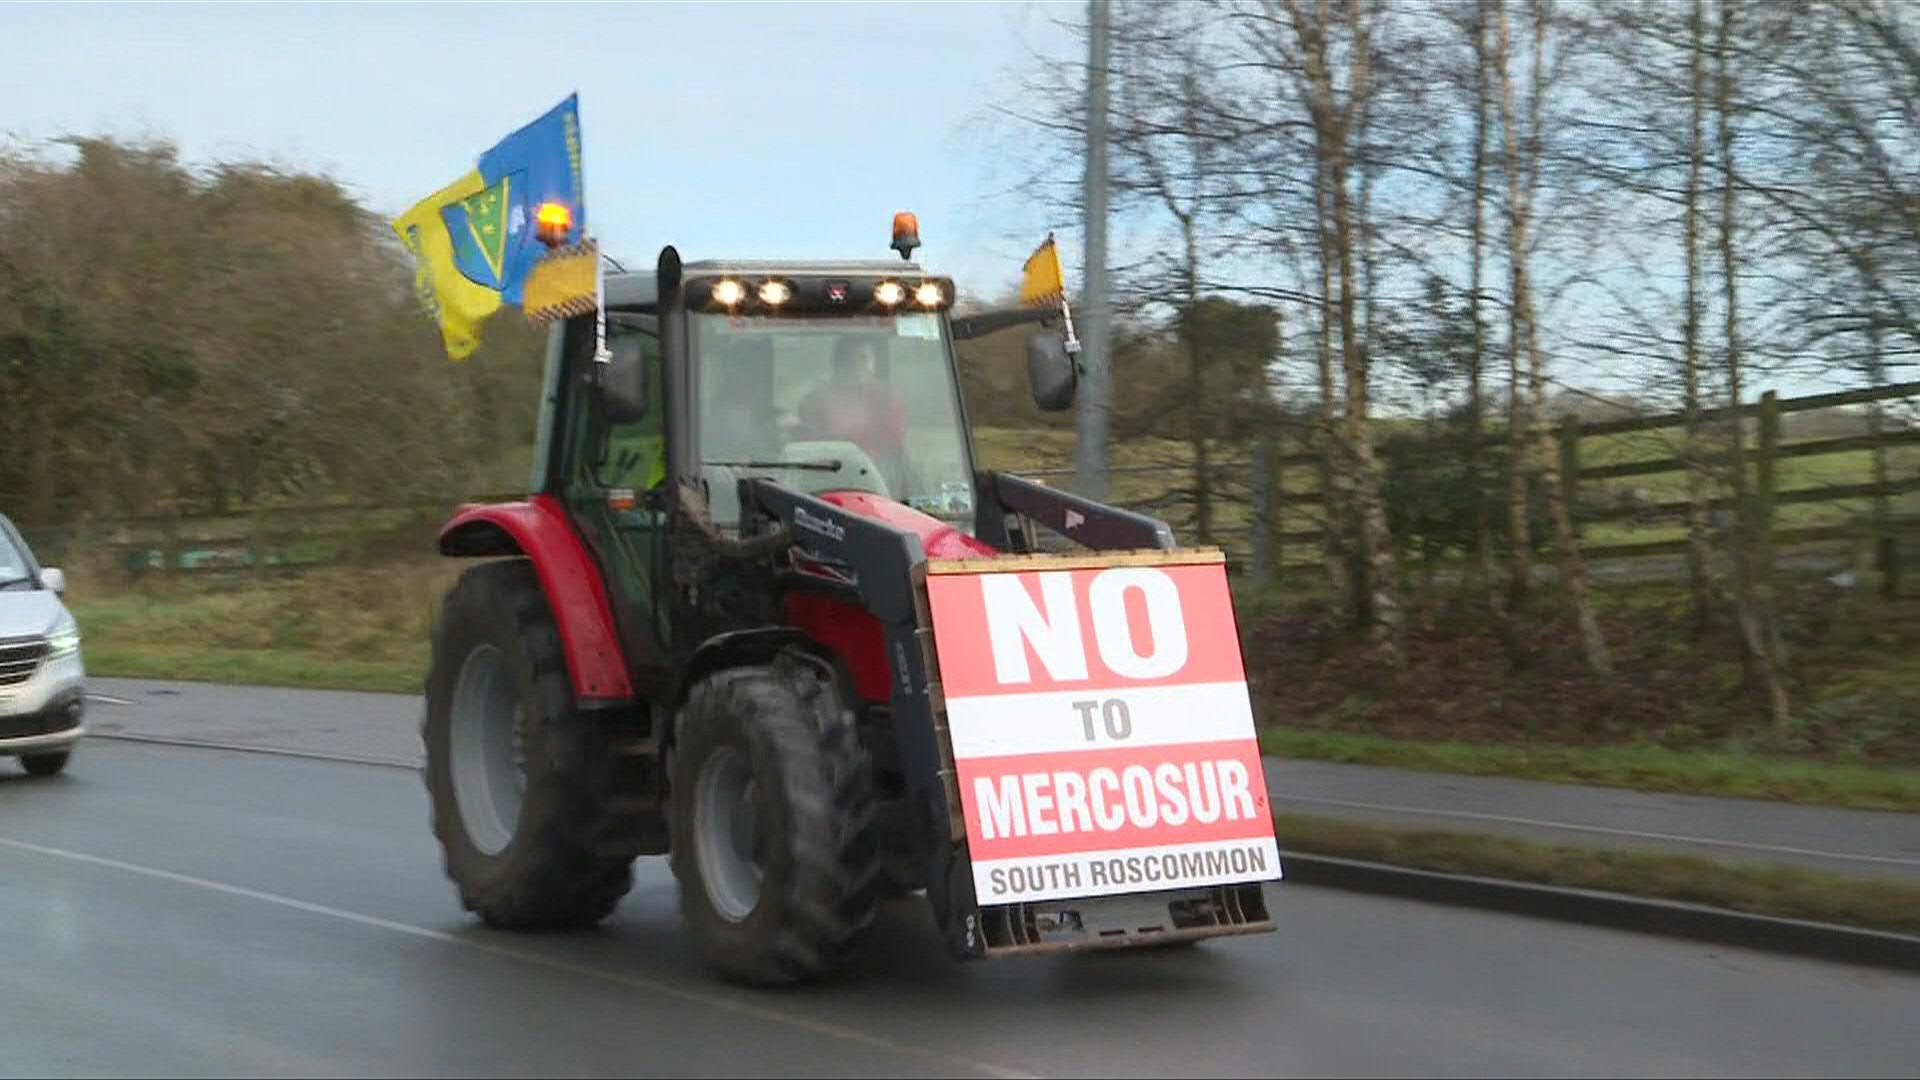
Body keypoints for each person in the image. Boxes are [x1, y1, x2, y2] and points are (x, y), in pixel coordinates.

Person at [796, 336, 907, 462]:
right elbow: (810, 446)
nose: (858, 365)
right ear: (837, 363)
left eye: (864, 358)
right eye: (849, 359)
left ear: (874, 361)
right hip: (827, 472)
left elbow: (893, 445)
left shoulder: (887, 400)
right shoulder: (814, 402)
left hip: (879, 474)